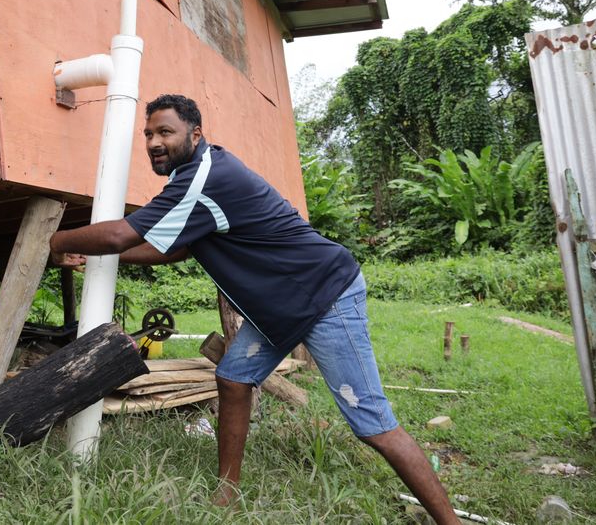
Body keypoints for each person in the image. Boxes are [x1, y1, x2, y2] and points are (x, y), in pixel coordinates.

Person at [49, 94, 459, 523]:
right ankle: (227, 494)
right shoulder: (197, 174)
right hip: (280, 306)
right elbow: (177, 250)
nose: (153, 141)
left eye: (165, 132)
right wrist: (97, 258)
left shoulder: (203, 179)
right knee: (232, 379)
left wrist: (58, 243)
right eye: (149, 133)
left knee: (373, 425)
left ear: (195, 134)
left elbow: (119, 236)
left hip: (324, 295)